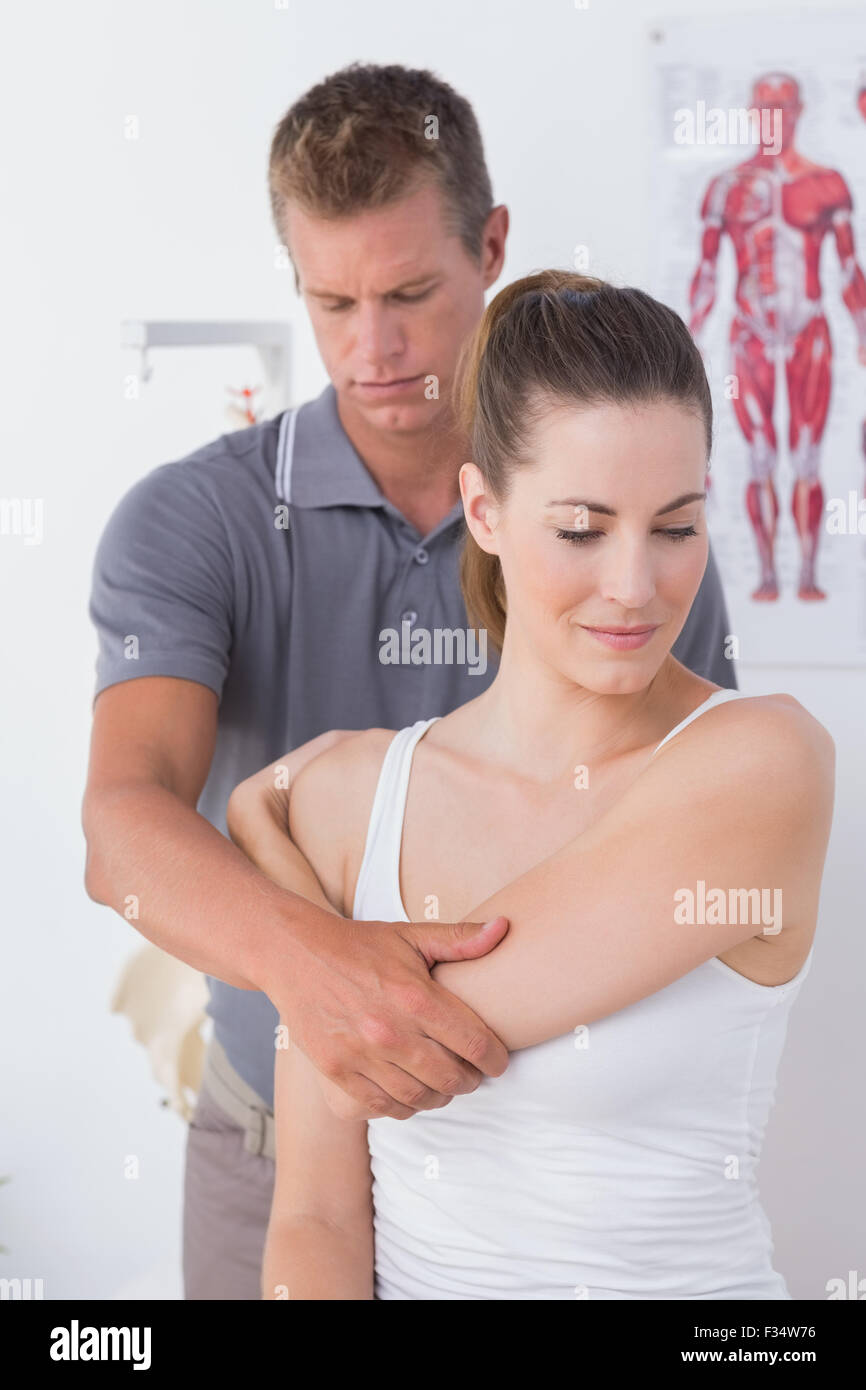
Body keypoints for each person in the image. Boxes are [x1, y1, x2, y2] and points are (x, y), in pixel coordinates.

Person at [82, 63, 737, 1301]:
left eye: (409, 293)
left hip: (550, 1153)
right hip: (272, 1139)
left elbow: (693, 824)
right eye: (330, 301)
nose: (371, 349)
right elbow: (121, 830)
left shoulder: (629, 541)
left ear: (491, 246)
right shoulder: (196, 520)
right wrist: (313, 968)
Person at [230, 271, 835, 1301]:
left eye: (675, 525)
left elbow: (392, 1035)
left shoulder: (759, 763)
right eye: (581, 528)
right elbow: (318, 1214)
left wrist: (260, 844)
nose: (635, 586)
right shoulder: (348, 801)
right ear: (484, 511)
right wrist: (272, 846)